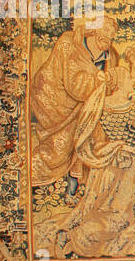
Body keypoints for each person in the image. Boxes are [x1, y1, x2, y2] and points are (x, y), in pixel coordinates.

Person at [46, 66, 135, 258]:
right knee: (124, 218)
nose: (133, 81)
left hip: (105, 168)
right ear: (121, 83)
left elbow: (94, 139)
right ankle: (79, 235)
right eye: (128, 78)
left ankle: (73, 231)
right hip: (128, 171)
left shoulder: (102, 106)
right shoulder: (133, 109)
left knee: (98, 209)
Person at [29, 15, 118, 195]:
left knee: (92, 132)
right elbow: (74, 86)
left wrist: (108, 83)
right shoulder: (69, 43)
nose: (109, 37)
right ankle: (34, 178)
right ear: (94, 28)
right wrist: (98, 80)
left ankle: (78, 184)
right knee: (61, 146)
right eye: (106, 30)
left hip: (83, 104)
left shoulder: (110, 55)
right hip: (53, 97)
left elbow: (111, 84)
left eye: (112, 34)